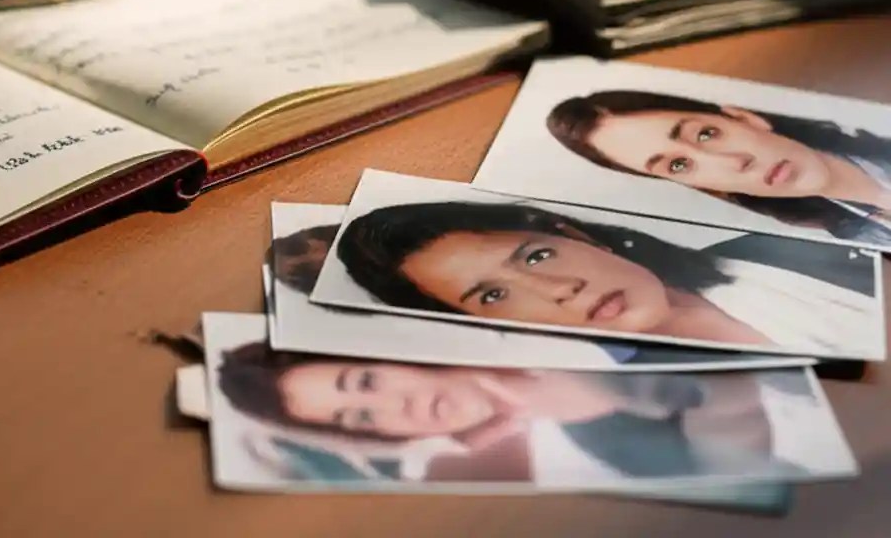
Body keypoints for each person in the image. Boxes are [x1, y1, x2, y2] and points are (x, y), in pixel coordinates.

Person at [335, 201, 878, 356]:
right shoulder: (630, 417)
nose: (558, 290)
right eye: (493, 295)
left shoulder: (775, 252)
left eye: (536, 257)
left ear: (575, 233)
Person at [217, 340, 805, 480]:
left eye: (365, 379)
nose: (397, 405)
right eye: (363, 418)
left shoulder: (572, 325)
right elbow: (758, 479)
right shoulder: (609, 452)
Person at [546, 89, 891, 244]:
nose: (735, 163)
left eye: (707, 133)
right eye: (679, 165)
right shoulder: (852, 236)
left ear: (745, 118)